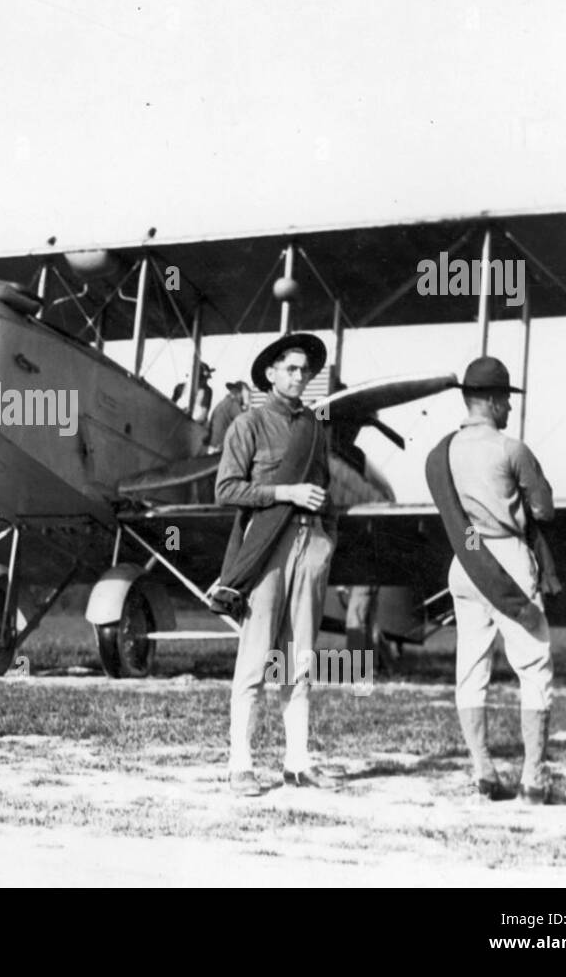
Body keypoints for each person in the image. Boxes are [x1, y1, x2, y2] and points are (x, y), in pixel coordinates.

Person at [424, 355, 566, 805]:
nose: (509, 409)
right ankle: (534, 776)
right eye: (505, 401)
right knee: (533, 667)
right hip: (508, 560)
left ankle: (483, 771)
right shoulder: (512, 449)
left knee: (471, 669)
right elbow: (544, 510)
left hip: (466, 562)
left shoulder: (443, 451)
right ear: (491, 401)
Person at [212, 333, 339, 795]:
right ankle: (239, 764)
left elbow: (327, 491)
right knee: (255, 657)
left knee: (298, 659)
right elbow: (225, 490)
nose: (299, 376)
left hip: (310, 544)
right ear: (269, 373)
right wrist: (284, 493)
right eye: (290, 368)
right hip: (266, 548)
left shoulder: (315, 427)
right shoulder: (247, 426)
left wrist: (325, 543)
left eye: (305, 370)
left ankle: (298, 762)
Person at [206, 379, 251, 453]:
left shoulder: (226, 402)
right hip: (220, 448)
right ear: (239, 393)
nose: (249, 396)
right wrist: (247, 405)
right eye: (247, 393)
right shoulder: (233, 403)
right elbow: (245, 426)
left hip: (215, 445)